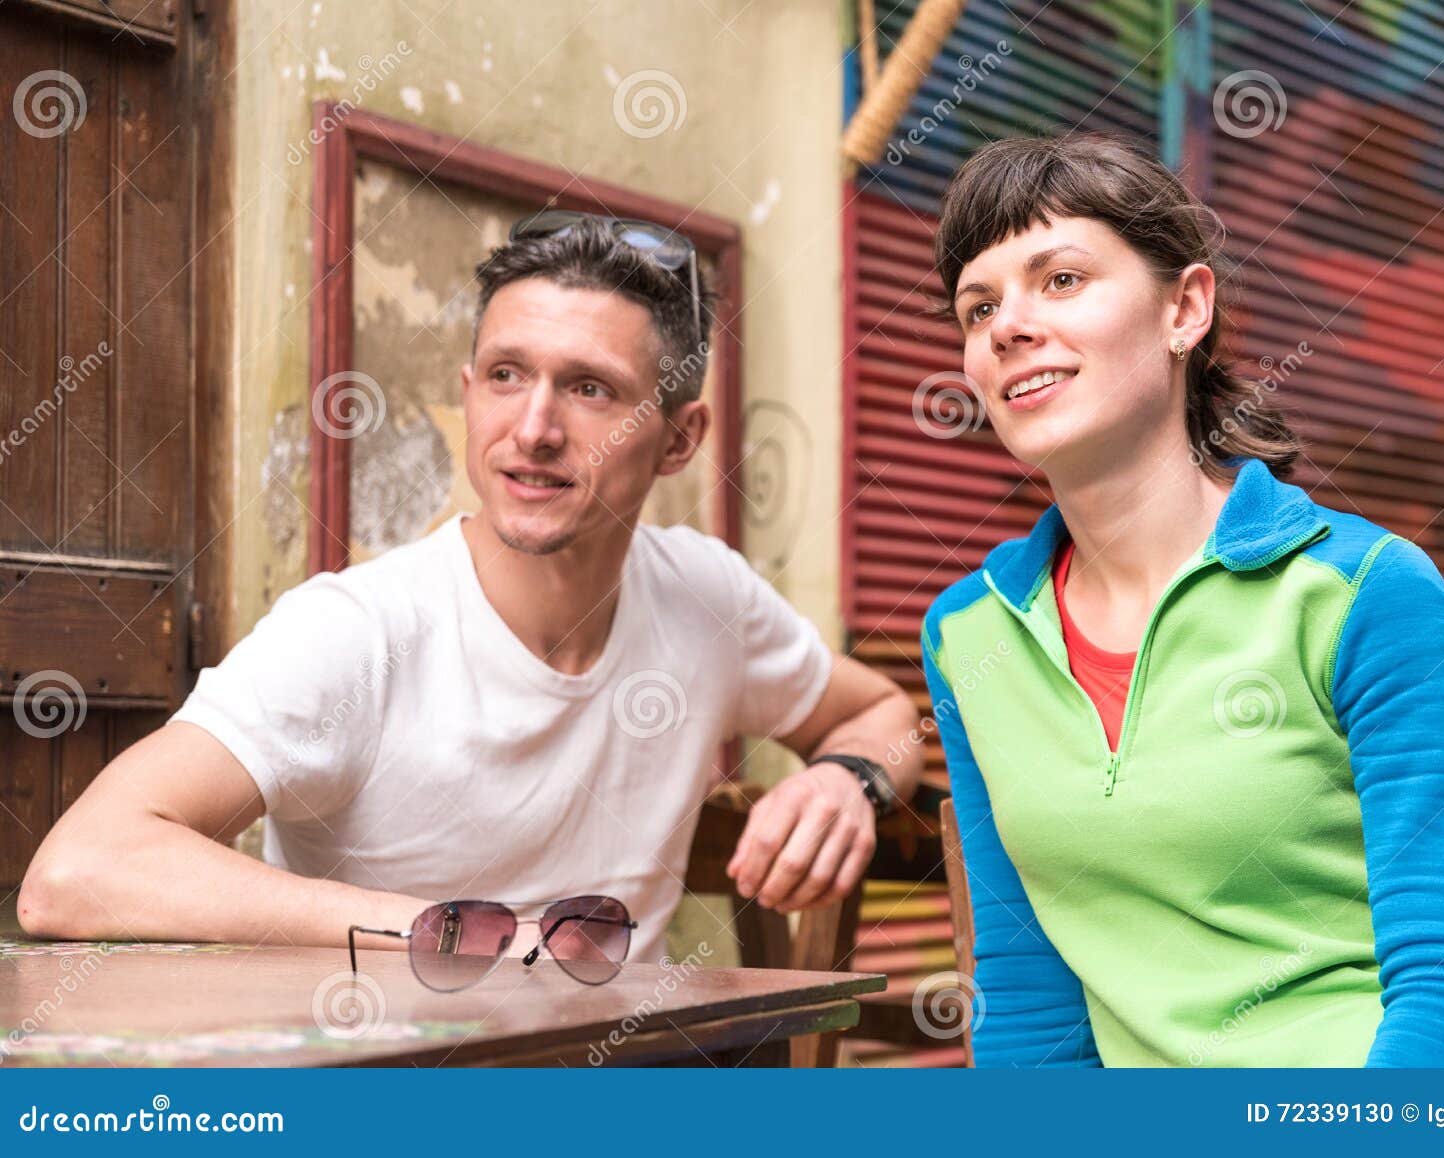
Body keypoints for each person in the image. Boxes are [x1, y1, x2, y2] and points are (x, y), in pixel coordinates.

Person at [20, 213, 921, 967]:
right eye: (505, 375)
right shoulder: (359, 632)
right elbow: (77, 870)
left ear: (681, 440)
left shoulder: (706, 596)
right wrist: (438, 934)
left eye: (590, 390)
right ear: (470, 393)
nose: (533, 429)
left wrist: (849, 782)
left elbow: (883, 711)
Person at [920, 131, 1444, 1067]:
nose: (1008, 325)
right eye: (978, 306)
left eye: (1062, 279)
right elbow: (1030, 998)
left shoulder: (1363, 589)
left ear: (1185, 310)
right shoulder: (967, 634)